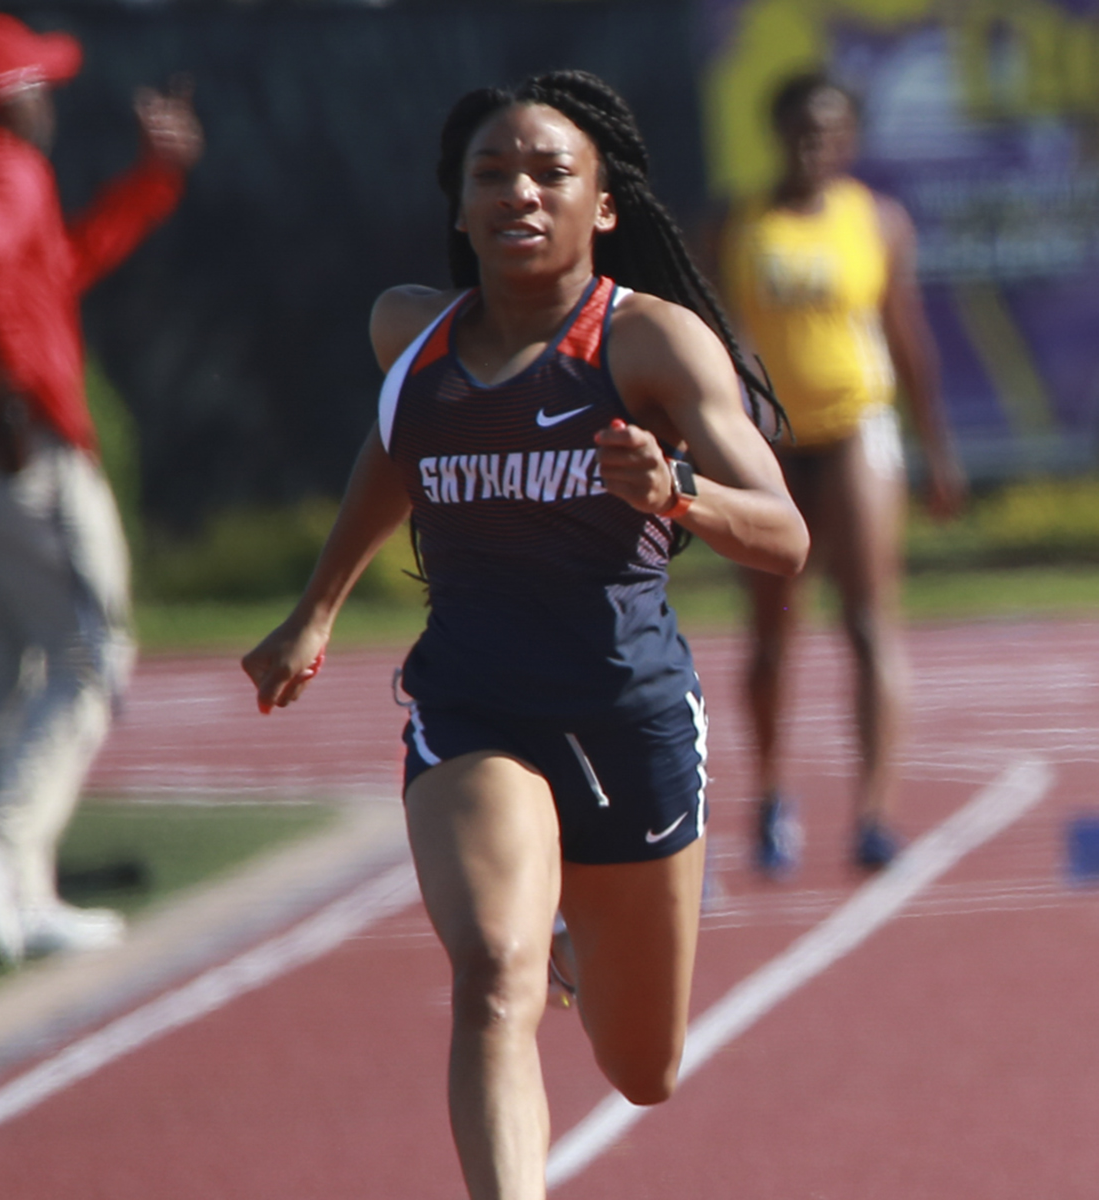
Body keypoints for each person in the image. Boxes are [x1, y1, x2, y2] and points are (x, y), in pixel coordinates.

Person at [243, 70, 807, 1199]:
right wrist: (316, 609)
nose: (520, 194)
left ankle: (579, 941)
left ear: (605, 204)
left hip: (626, 714)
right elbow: (396, 446)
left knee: (642, 1068)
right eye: (492, 174)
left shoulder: (652, 344)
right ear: (458, 206)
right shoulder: (411, 334)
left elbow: (785, 537)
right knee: (495, 976)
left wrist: (677, 491)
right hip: (475, 707)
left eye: (552, 173)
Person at [0, 13, 203, 963]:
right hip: (15, 450)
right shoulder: (5, 170)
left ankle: (20, 897)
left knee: (10, 668)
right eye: (38, 84)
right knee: (91, 650)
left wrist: (152, 183)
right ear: (11, 99)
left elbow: (55, 269)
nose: (50, 99)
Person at [717, 71, 965, 877]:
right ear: (776, 133)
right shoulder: (738, 224)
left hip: (858, 423)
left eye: (828, 131)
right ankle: (771, 794)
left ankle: (874, 812)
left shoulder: (877, 220)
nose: (812, 144)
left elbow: (906, 334)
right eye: (799, 129)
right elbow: (711, 333)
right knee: (772, 634)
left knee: (867, 622)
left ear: (850, 139)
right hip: (772, 440)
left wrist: (938, 449)